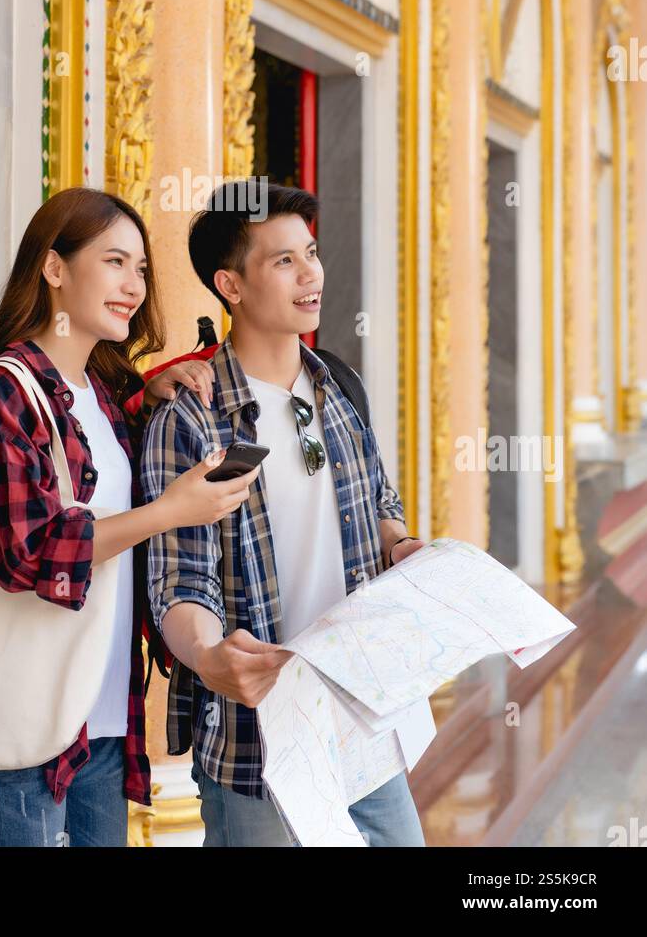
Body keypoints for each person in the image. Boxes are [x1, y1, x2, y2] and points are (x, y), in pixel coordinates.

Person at [0, 186, 258, 847]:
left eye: (140, 269)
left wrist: (146, 392)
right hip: (18, 726)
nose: (133, 285)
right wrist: (167, 511)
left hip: (101, 722)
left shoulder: (103, 396)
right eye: (113, 262)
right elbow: (27, 552)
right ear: (53, 268)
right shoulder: (4, 394)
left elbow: (92, 485)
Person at [141, 180, 427, 847]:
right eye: (284, 261)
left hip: (361, 719)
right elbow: (180, 580)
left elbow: (379, 498)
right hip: (258, 746)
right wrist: (209, 655)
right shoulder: (190, 419)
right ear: (231, 285)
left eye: (312, 253)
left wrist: (401, 542)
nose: (311, 275)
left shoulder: (337, 387)